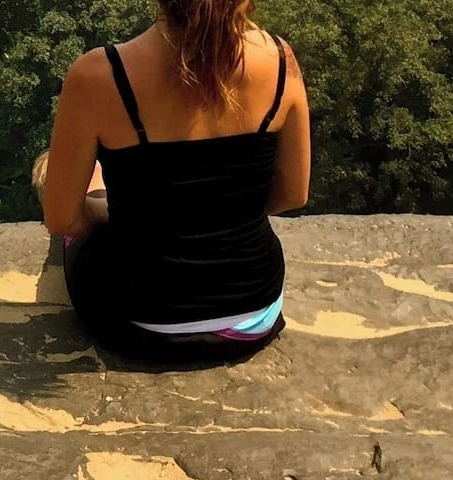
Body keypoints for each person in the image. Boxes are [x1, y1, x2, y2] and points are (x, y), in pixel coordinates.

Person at [36, 0, 311, 363]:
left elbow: (63, 220)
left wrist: (120, 217)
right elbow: (292, 194)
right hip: (252, 314)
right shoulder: (279, 61)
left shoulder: (99, 74)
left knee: (52, 168)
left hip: (139, 320)